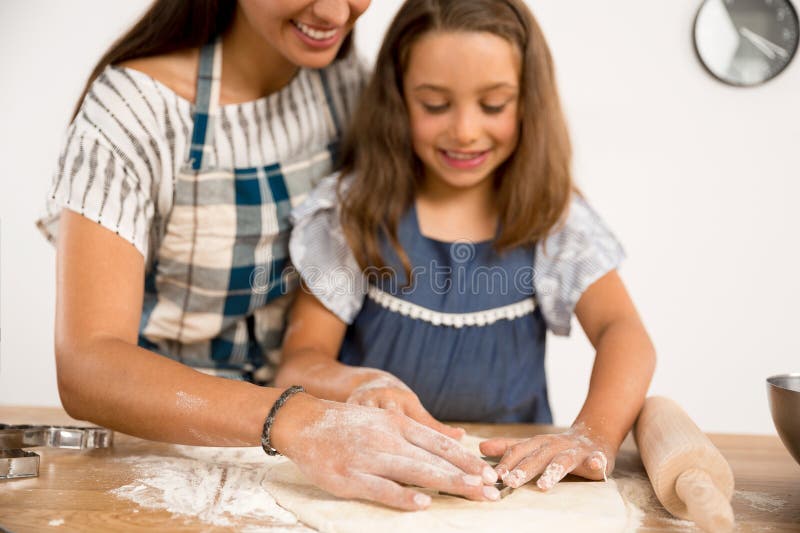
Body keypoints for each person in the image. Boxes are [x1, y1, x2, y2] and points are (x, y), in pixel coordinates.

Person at [36, 0, 500, 510]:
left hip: (320, 451)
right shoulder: (133, 113)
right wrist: (296, 419)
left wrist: (355, 387)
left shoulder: (340, 78)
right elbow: (88, 367)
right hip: (168, 464)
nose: (333, 11)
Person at [276, 0, 657, 493]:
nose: (465, 130)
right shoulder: (353, 214)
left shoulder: (551, 219)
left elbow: (623, 332)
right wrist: (360, 385)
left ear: (527, 102)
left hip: (512, 486)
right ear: (397, 99)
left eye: (494, 105)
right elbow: (300, 361)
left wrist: (593, 434)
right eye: (434, 104)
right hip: (380, 471)